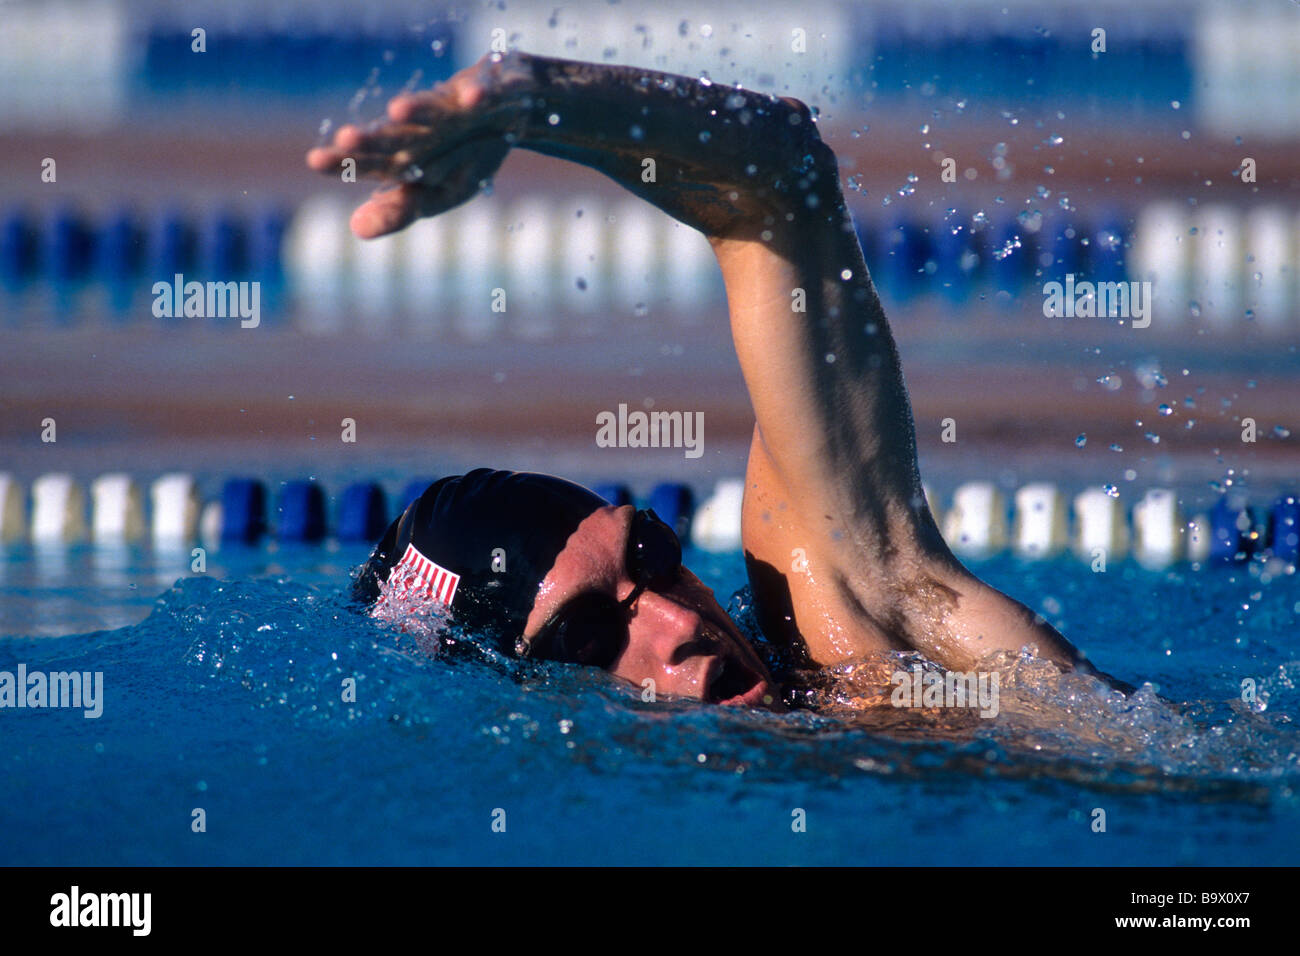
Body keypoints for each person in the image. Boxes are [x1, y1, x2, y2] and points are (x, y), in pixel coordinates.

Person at [308, 50, 1118, 710]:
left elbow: (779, 183)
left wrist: (533, 104)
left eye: (651, 554)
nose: (673, 618)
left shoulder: (844, 633)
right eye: (588, 638)